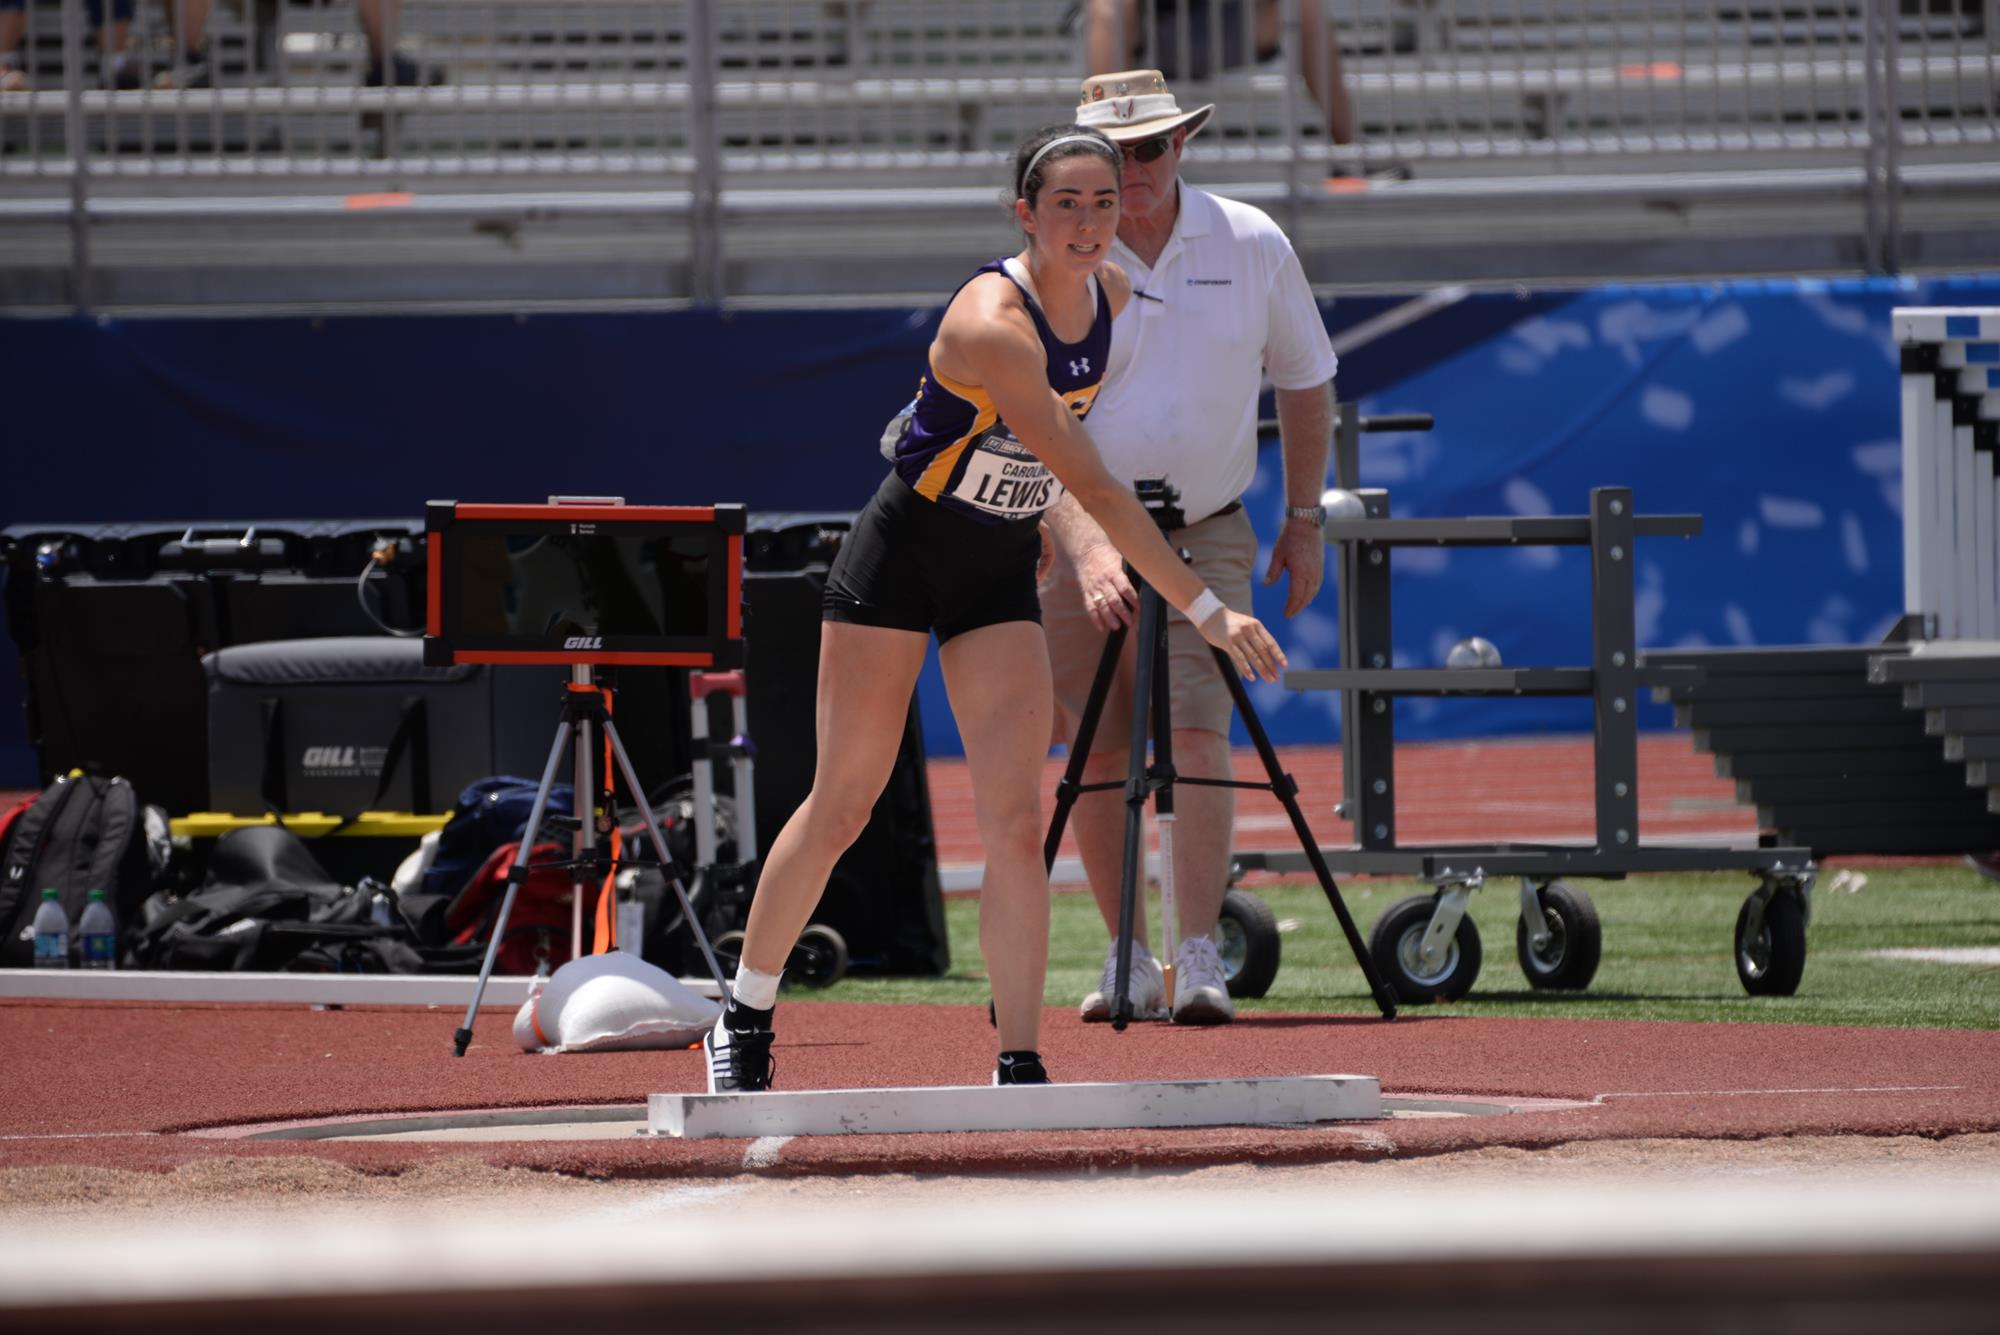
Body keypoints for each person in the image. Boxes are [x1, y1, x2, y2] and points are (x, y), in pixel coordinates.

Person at [703, 122, 1287, 1095]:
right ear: (1024, 214)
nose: (1090, 222)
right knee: (842, 801)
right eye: (1066, 203)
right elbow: (1094, 482)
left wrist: (1041, 524)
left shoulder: (1107, 295)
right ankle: (745, 1012)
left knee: (1017, 821)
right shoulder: (990, 321)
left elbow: (1055, 460)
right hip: (896, 563)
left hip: (992, 573)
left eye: (1105, 202)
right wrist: (1206, 608)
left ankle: (1019, 1058)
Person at [1039, 69, 1337, 1026]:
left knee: (1202, 725)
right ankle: (1128, 950)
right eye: (1111, 152)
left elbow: (1304, 377)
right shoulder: (1050, 259)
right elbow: (1020, 416)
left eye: (1149, 147)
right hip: (1085, 527)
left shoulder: (1251, 239)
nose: (1131, 170)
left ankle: (1197, 950)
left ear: (1184, 144)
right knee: (1096, 737)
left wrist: (1303, 517)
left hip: (1207, 522)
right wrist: (1075, 541)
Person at [1082, 0, 1361, 172]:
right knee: (1110, 5)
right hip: (1143, 28)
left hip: (1215, 22)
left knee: (1302, 4)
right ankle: (1108, 152)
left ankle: (1351, 155)